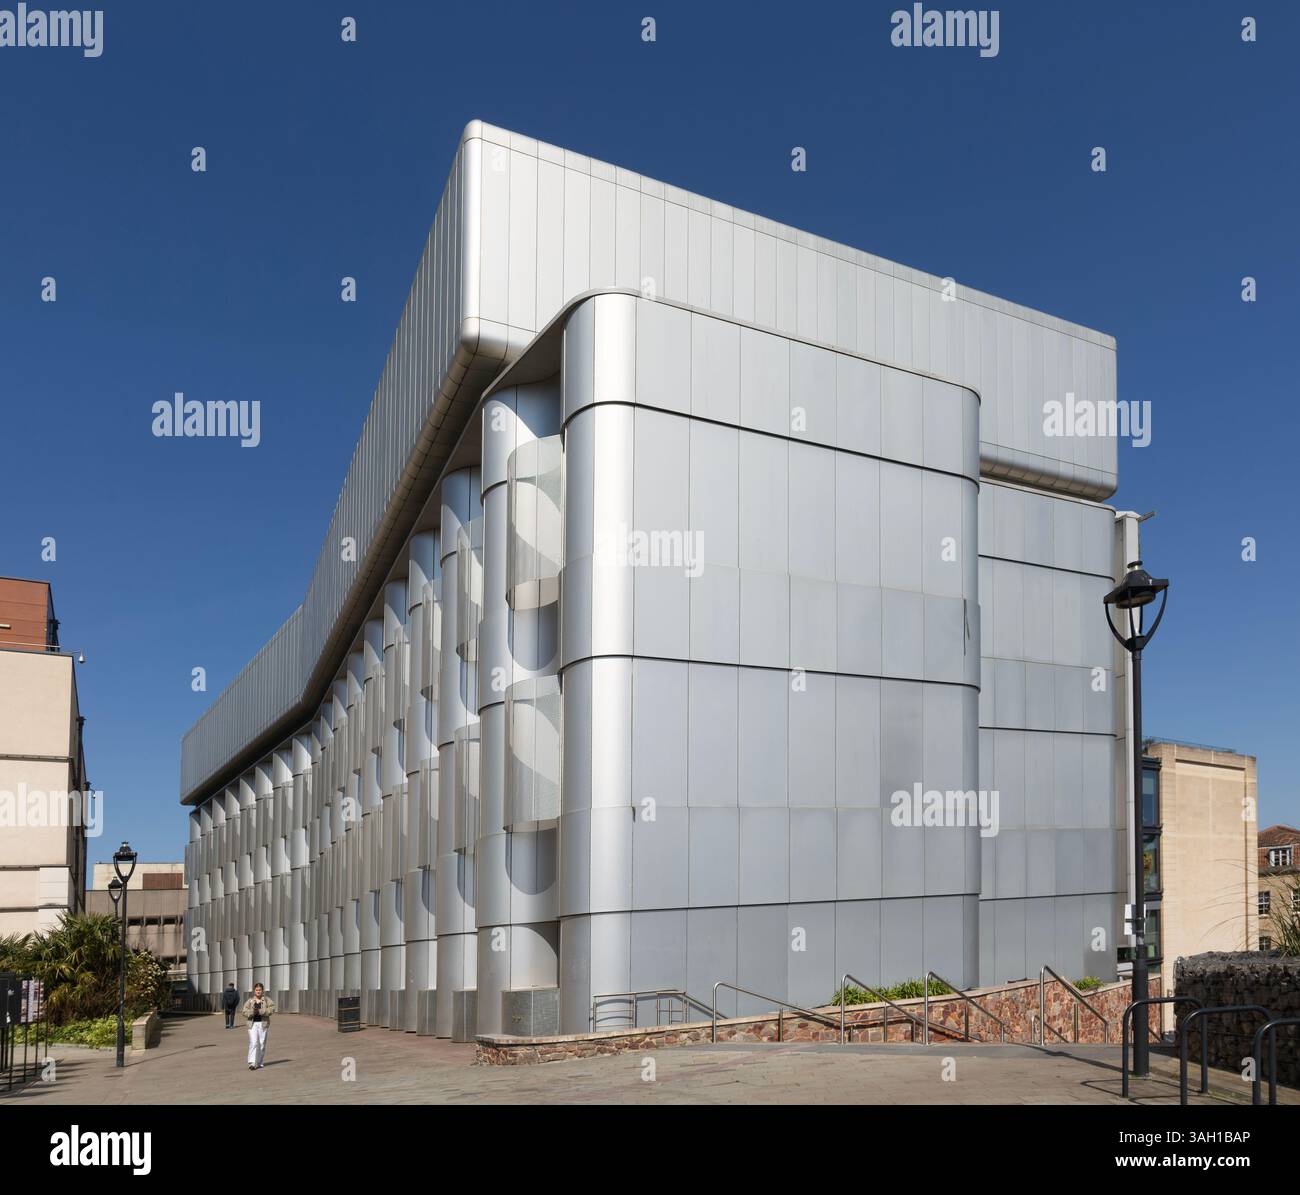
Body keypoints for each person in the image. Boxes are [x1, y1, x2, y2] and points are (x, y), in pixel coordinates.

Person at [242, 982, 275, 1070]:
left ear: (262, 991)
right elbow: (244, 1011)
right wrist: (252, 1012)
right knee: (253, 1042)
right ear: (254, 991)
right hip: (252, 1024)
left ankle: (259, 1062)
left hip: (263, 1024)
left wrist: (261, 1011)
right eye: (256, 990)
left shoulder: (267, 1000)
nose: (258, 991)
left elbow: (272, 1009)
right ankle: (252, 1063)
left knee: (262, 1043)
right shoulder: (250, 1001)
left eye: (260, 990)